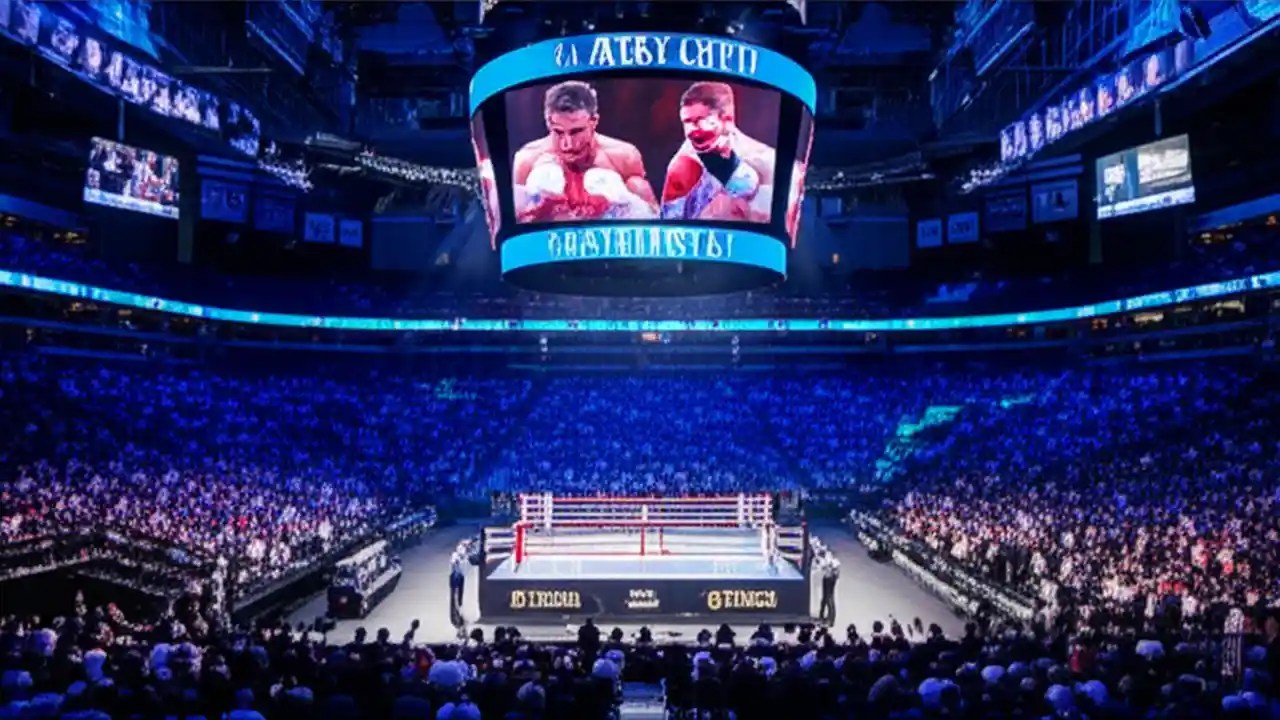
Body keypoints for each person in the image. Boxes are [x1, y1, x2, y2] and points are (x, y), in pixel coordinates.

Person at [512, 80, 658, 222]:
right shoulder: (528, 159)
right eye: (558, 132)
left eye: (576, 131)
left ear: (593, 121)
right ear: (548, 123)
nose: (567, 145)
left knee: (633, 186)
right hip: (547, 242)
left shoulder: (623, 156)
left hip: (606, 240)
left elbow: (654, 222)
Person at [661, 81, 776, 222]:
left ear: (726, 119)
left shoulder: (764, 159)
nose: (691, 131)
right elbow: (670, 222)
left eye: (699, 120)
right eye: (687, 122)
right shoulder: (684, 165)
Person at [818, 554, 839, 626]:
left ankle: (831, 620)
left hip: (829, 579)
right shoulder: (830, 559)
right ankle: (822, 616)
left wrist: (827, 567)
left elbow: (825, 567)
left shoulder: (830, 560)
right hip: (828, 578)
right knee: (825, 598)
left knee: (829, 598)